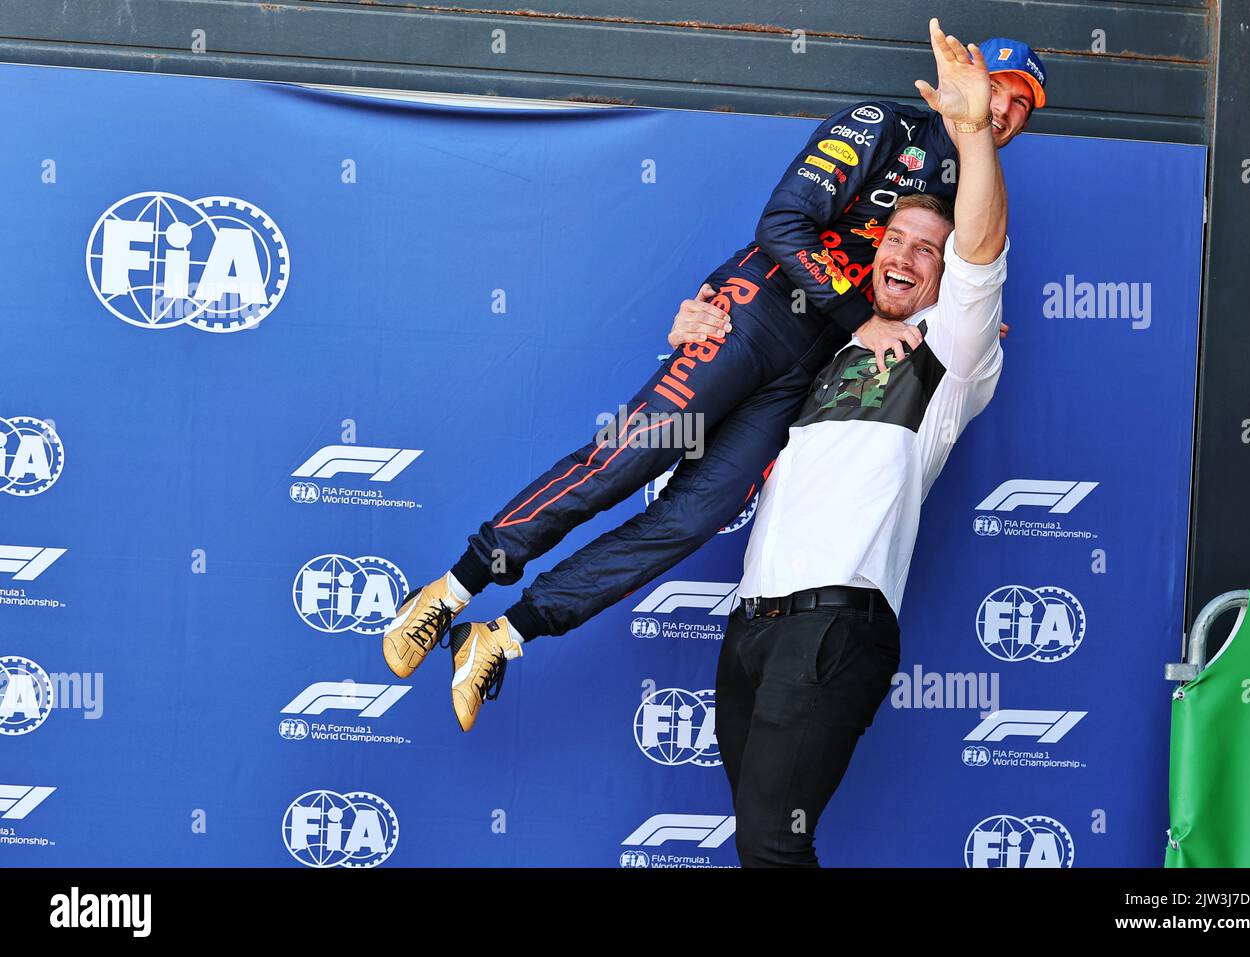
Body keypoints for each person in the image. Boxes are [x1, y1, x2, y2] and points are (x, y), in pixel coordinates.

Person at [382, 18, 1047, 733]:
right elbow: (783, 223)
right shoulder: (884, 126)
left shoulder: (978, 194)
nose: (1006, 111)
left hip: (815, 370)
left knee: (692, 518)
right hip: (755, 317)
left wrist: (961, 319)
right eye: (1000, 90)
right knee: (626, 459)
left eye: (1023, 105)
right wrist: (850, 317)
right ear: (965, 81)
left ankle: (503, 635)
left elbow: (964, 290)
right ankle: (452, 590)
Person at [716, 22, 1013, 866]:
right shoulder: (832, 342)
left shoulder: (951, 350)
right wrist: (698, 316)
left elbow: (981, 246)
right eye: (895, 240)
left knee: (773, 846)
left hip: (833, 626)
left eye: (928, 250)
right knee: (764, 849)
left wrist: (973, 132)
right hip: (751, 625)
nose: (906, 256)